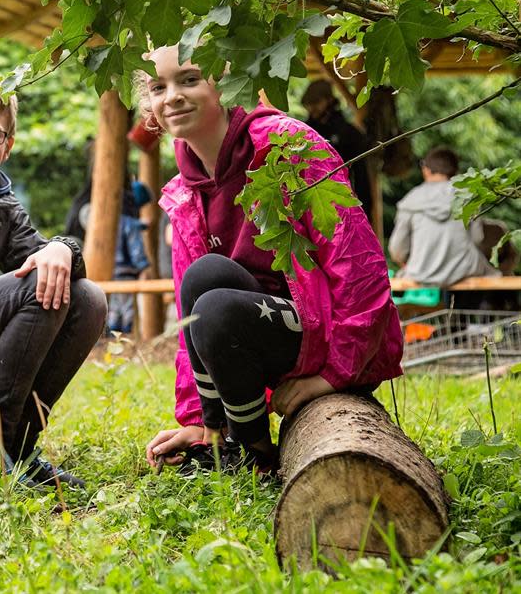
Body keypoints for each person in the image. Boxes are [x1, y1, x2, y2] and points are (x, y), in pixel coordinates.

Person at [141, 45, 403, 475]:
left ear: (226, 84)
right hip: (257, 332)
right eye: (158, 87)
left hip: (327, 339)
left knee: (215, 305)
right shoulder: (184, 192)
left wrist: (334, 375)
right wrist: (195, 418)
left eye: (189, 79)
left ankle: (253, 451)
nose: (172, 96)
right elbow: (191, 313)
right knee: (201, 280)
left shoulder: (289, 148)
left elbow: (358, 265)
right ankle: (223, 435)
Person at [0, 69, 108, 489]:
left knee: (87, 298)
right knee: (37, 283)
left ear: (7, 146)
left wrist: (64, 247)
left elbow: (42, 256)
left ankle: (20, 446)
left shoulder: (3, 208)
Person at [389, 146, 500, 287]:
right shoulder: (467, 196)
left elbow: (397, 249)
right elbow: (478, 239)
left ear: (426, 170)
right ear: (454, 171)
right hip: (466, 270)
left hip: (420, 273)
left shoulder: (410, 200)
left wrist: (414, 263)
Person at [300, 80, 373, 222]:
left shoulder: (349, 133)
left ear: (329, 100)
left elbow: (361, 177)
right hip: (310, 201)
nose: (312, 108)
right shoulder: (304, 131)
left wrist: (365, 214)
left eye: (316, 103)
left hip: (341, 202)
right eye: (309, 104)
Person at [107, 179, 153, 335]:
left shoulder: (112, 221)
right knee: (127, 308)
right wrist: (144, 268)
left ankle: (112, 340)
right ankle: (125, 340)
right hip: (126, 272)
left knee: (114, 308)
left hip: (112, 272)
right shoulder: (130, 224)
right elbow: (136, 249)